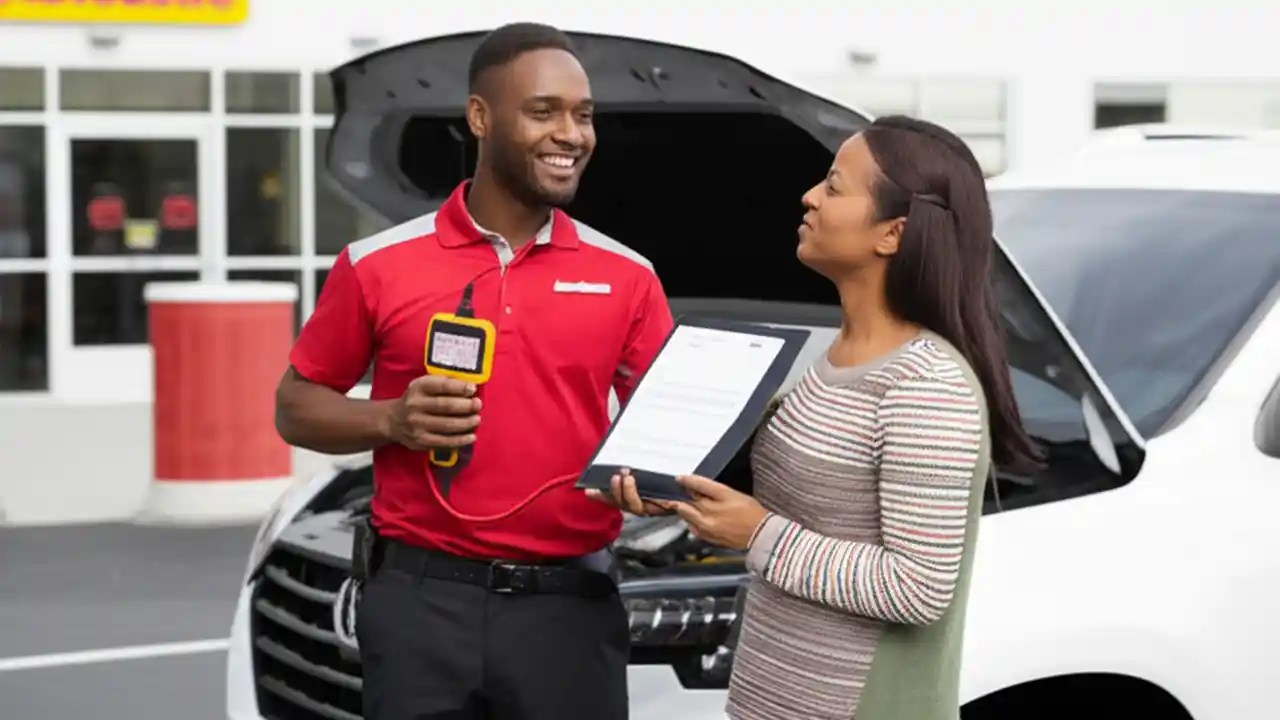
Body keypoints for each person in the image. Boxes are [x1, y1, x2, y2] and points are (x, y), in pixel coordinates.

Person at [275, 22, 674, 720]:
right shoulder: (377, 264)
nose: (571, 134)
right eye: (543, 111)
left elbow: (674, 434)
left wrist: (660, 485)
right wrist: (389, 419)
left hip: (570, 615)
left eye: (583, 116)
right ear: (481, 117)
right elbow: (295, 405)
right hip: (419, 607)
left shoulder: (629, 276)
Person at [590, 115, 1043, 719]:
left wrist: (755, 534)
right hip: (770, 699)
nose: (808, 196)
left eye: (833, 186)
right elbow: (800, 503)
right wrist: (673, 492)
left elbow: (917, 587)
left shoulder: (925, 385)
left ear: (892, 234)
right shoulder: (833, 359)